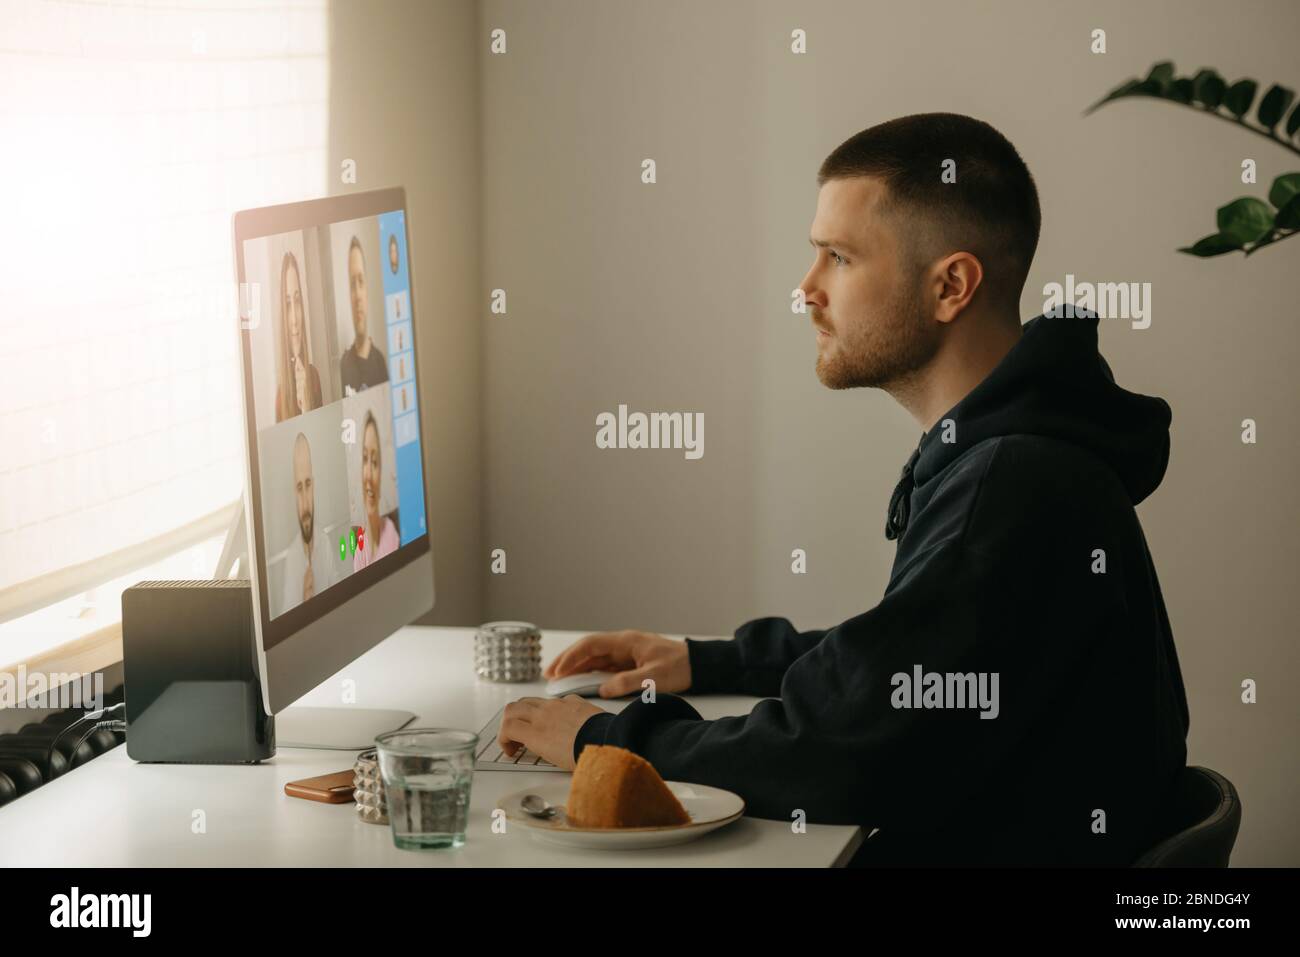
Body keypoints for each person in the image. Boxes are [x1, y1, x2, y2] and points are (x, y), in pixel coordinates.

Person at [495, 113, 1190, 867]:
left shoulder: (1012, 482)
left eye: (839, 257)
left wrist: (603, 740)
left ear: (951, 285)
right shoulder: (1016, 451)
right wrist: (712, 660)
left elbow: (835, 751)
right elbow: (905, 664)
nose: (807, 290)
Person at [281, 433, 333, 613]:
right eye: (299, 487)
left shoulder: (324, 542)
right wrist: (305, 604)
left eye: (308, 484)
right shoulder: (292, 559)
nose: (304, 501)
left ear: (314, 486)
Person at [274, 250, 324, 421]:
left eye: (297, 301)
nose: (294, 319)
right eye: (288, 304)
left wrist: (307, 409)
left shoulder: (314, 378)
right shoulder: (280, 397)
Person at [339, 236, 389, 394]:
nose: (358, 295)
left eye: (361, 281)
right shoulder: (344, 364)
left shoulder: (379, 362)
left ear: (367, 290)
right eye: (352, 284)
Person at [353, 410, 399, 570]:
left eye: (375, 462)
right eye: (365, 459)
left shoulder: (391, 534)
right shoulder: (360, 542)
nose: (368, 475)